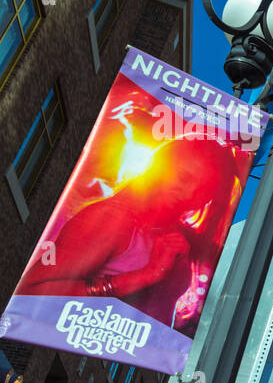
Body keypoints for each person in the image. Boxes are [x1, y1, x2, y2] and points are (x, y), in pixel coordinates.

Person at [18, 137, 241, 329]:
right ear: (158, 168)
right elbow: (30, 292)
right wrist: (147, 275)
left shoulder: (170, 233)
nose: (189, 195)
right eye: (184, 177)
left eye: (204, 191)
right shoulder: (113, 218)